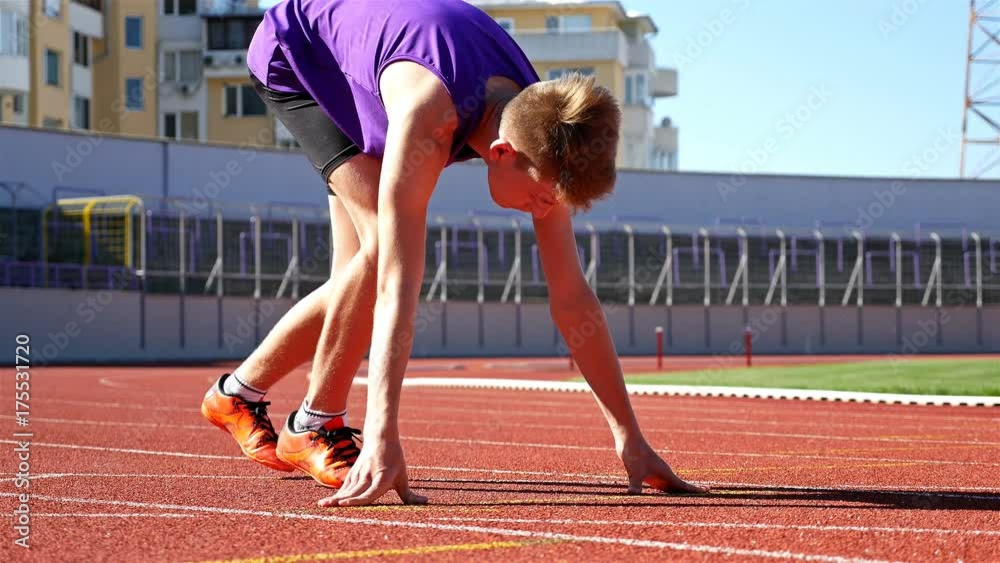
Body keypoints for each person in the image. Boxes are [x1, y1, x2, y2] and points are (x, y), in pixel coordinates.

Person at [201, 0, 708, 507]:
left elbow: (572, 297)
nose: (546, 210)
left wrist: (630, 438)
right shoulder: (430, 119)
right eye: (544, 197)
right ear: (503, 153)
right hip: (302, 53)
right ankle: (313, 422)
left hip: (383, 53)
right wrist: (383, 437)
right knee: (380, 250)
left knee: (355, 271)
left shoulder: (542, 127)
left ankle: (238, 395)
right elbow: (398, 289)